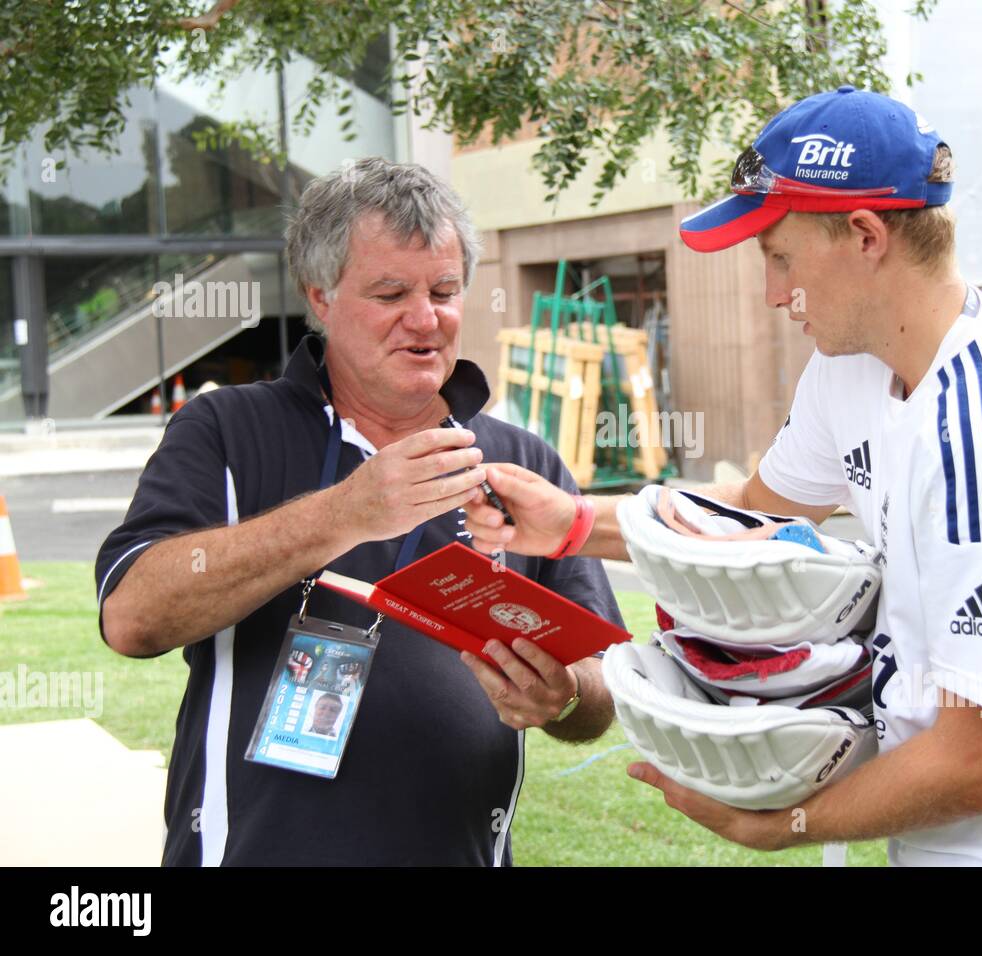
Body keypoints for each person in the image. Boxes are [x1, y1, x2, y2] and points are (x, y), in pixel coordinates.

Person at [465, 87, 982, 865]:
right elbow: (748, 512)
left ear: (866, 235)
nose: (774, 293)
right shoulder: (850, 370)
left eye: (780, 258)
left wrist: (787, 824)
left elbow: (980, 763)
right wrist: (570, 522)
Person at [96, 157, 622, 866]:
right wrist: (347, 511)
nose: (425, 318)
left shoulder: (519, 466)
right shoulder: (225, 430)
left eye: (443, 289)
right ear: (321, 296)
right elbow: (132, 618)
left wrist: (560, 698)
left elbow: (598, 686)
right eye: (390, 292)